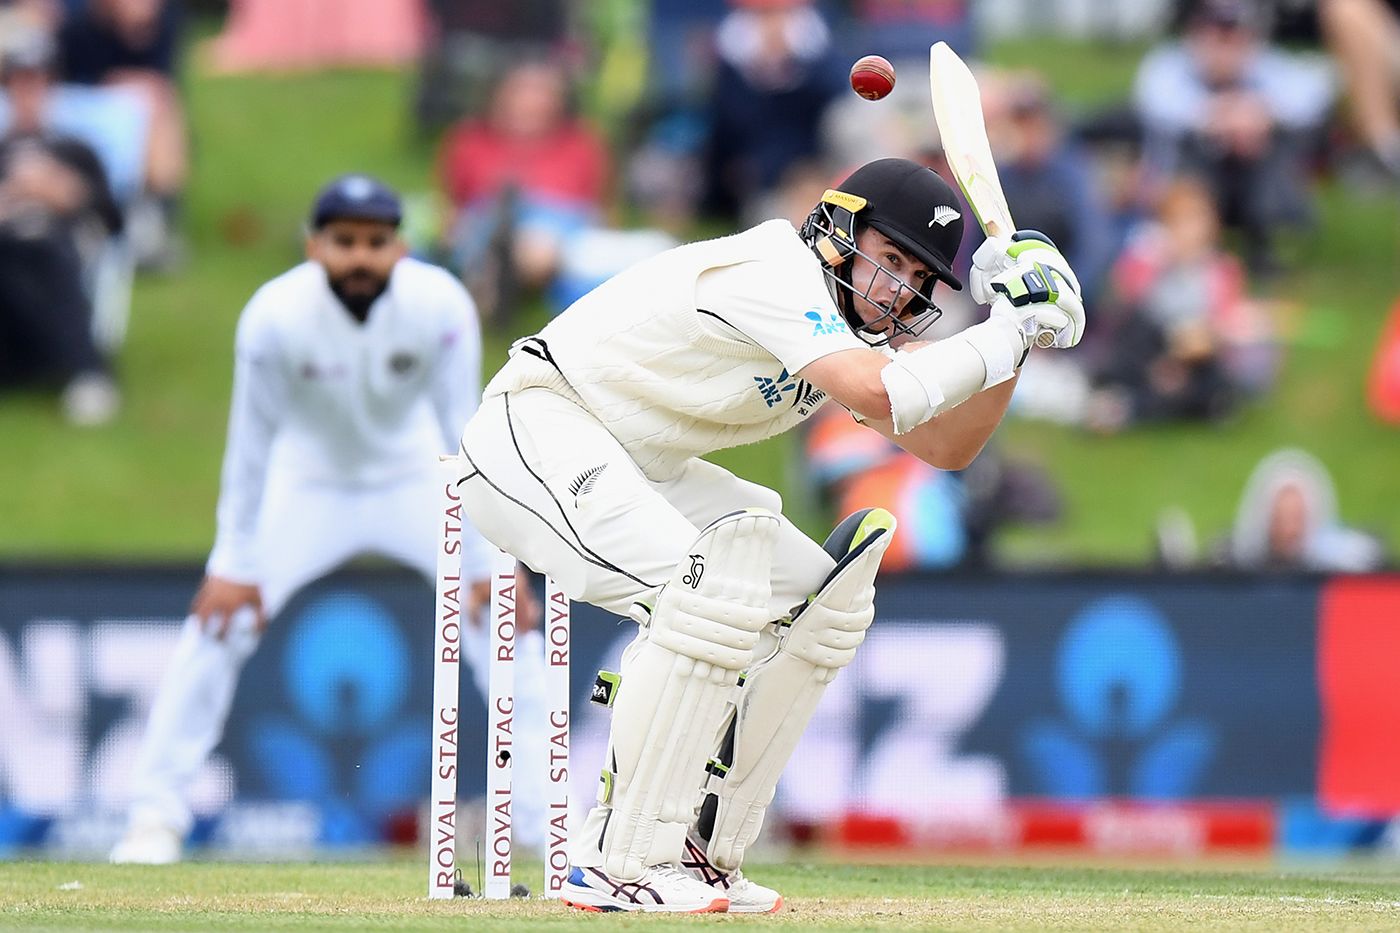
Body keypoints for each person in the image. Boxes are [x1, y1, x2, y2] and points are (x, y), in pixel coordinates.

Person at [454, 157, 1085, 912]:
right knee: (704, 589)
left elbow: (948, 445)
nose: (899, 291)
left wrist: (1014, 332)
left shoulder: (844, 329)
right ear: (839, 230)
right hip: (537, 429)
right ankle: (617, 856)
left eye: (918, 278)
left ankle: (703, 845)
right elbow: (879, 390)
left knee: (822, 602)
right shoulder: (774, 270)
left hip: (641, 462)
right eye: (889, 261)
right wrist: (1006, 334)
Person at [109, 175, 547, 863]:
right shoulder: (273, 315)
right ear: (314, 246)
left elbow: (467, 434)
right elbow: (250, 444)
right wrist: (233, 558)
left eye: (376, 242)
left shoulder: (441, 304)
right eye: (343, 242)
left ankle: (543, 821)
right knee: (215, 626)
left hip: (416, 477)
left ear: (401, 246)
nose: (360, 258)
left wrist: (498, 556)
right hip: (304, 483)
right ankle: (152, 820)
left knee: (503, 623)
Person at [0, 22, 124, 425]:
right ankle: (68, 363)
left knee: (44, 248)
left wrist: (68, 193)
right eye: (19, 82)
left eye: (37, 81)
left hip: (62, 244)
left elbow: (115, 221)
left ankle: (89, 372)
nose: (29, 91)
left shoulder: (76, 150)